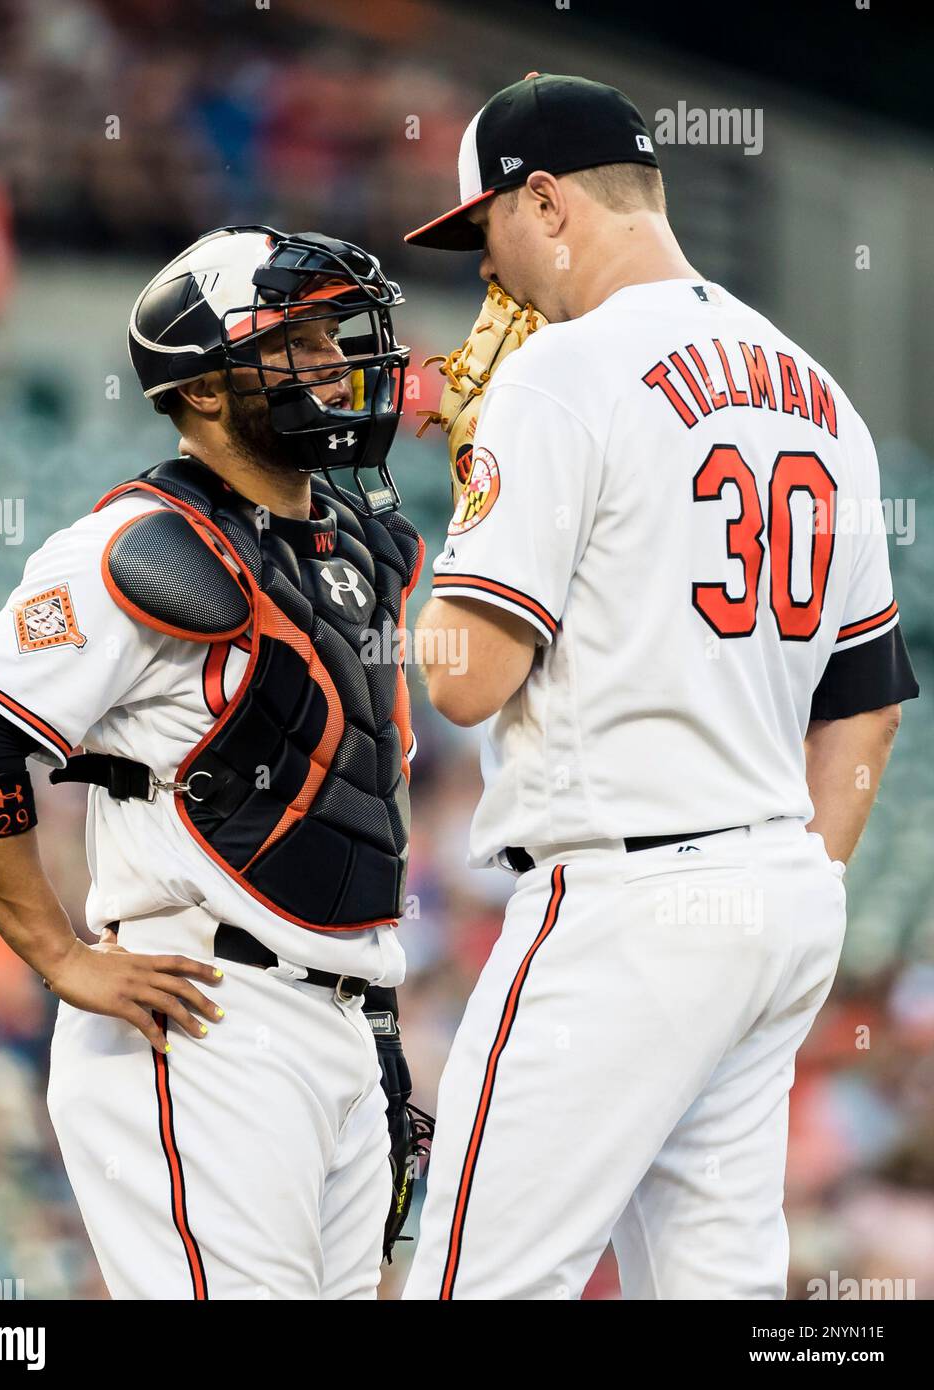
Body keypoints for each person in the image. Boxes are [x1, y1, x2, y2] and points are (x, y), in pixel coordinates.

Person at [402, 72, 919, 1300]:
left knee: (474, 1283)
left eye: (486, 232)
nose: (489, 271)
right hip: (778, 892)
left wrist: (454, 504)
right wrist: (788, 879)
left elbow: (466, 680)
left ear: (545, 202)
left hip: (620, 905)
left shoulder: (558, 376)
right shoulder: (822, 395)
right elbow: (868, 703)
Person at [0, 226, 425, 1300]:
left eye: (335, 336)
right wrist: (56, 957)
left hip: (347, 1017)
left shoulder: (355, 538)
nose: (333, 363)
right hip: (206, 1014)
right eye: (295, 342)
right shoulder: (141, 544)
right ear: (199, 390)